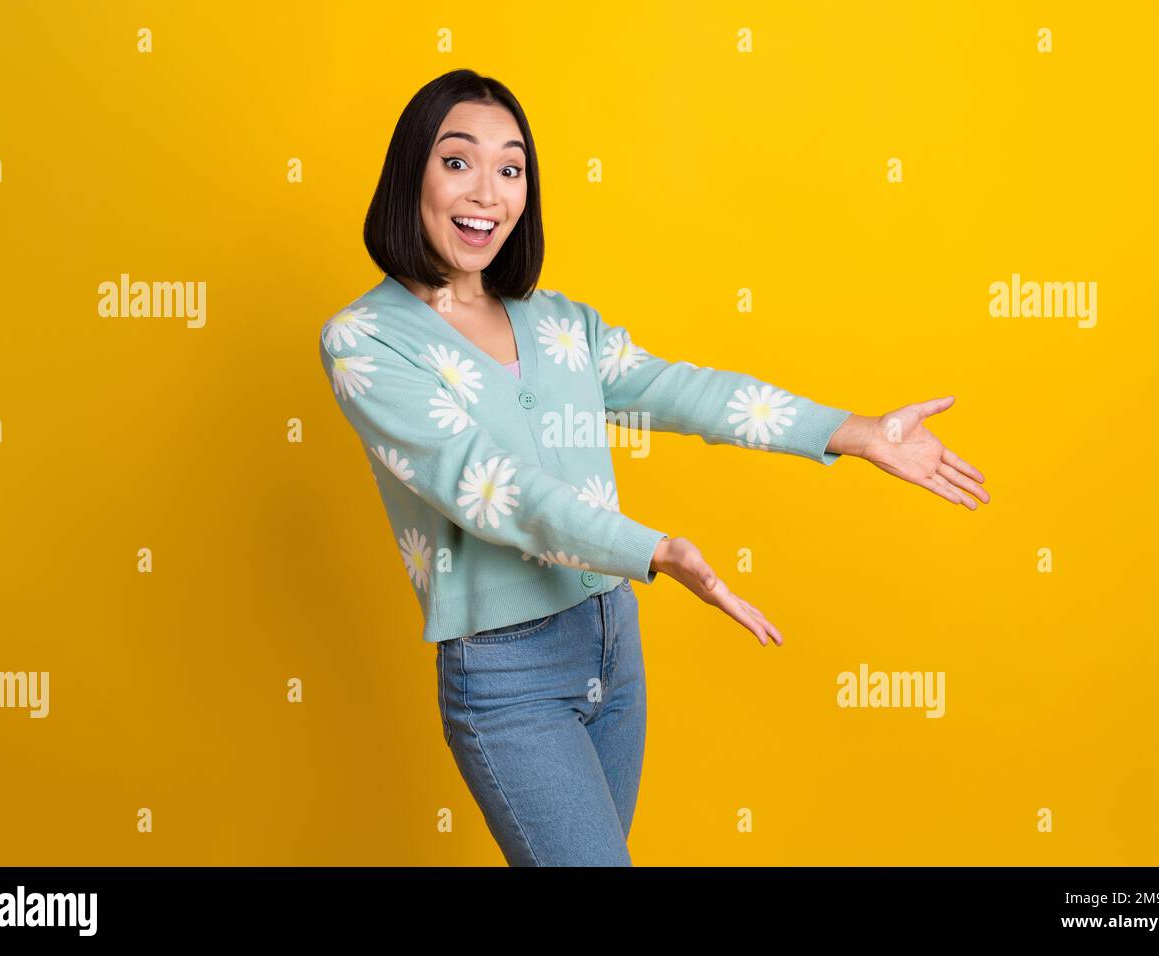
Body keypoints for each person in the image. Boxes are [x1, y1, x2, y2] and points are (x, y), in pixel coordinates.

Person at [319, 69, 990, 866]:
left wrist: (852, 431)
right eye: (458, 161)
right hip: (506, 672)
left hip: (608, 641)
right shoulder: (366, 341)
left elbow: (680, 392)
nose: (488, 193)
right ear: (412, 175)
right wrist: (653, 549)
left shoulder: (559, 323)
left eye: (512, 168)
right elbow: (491, 489)